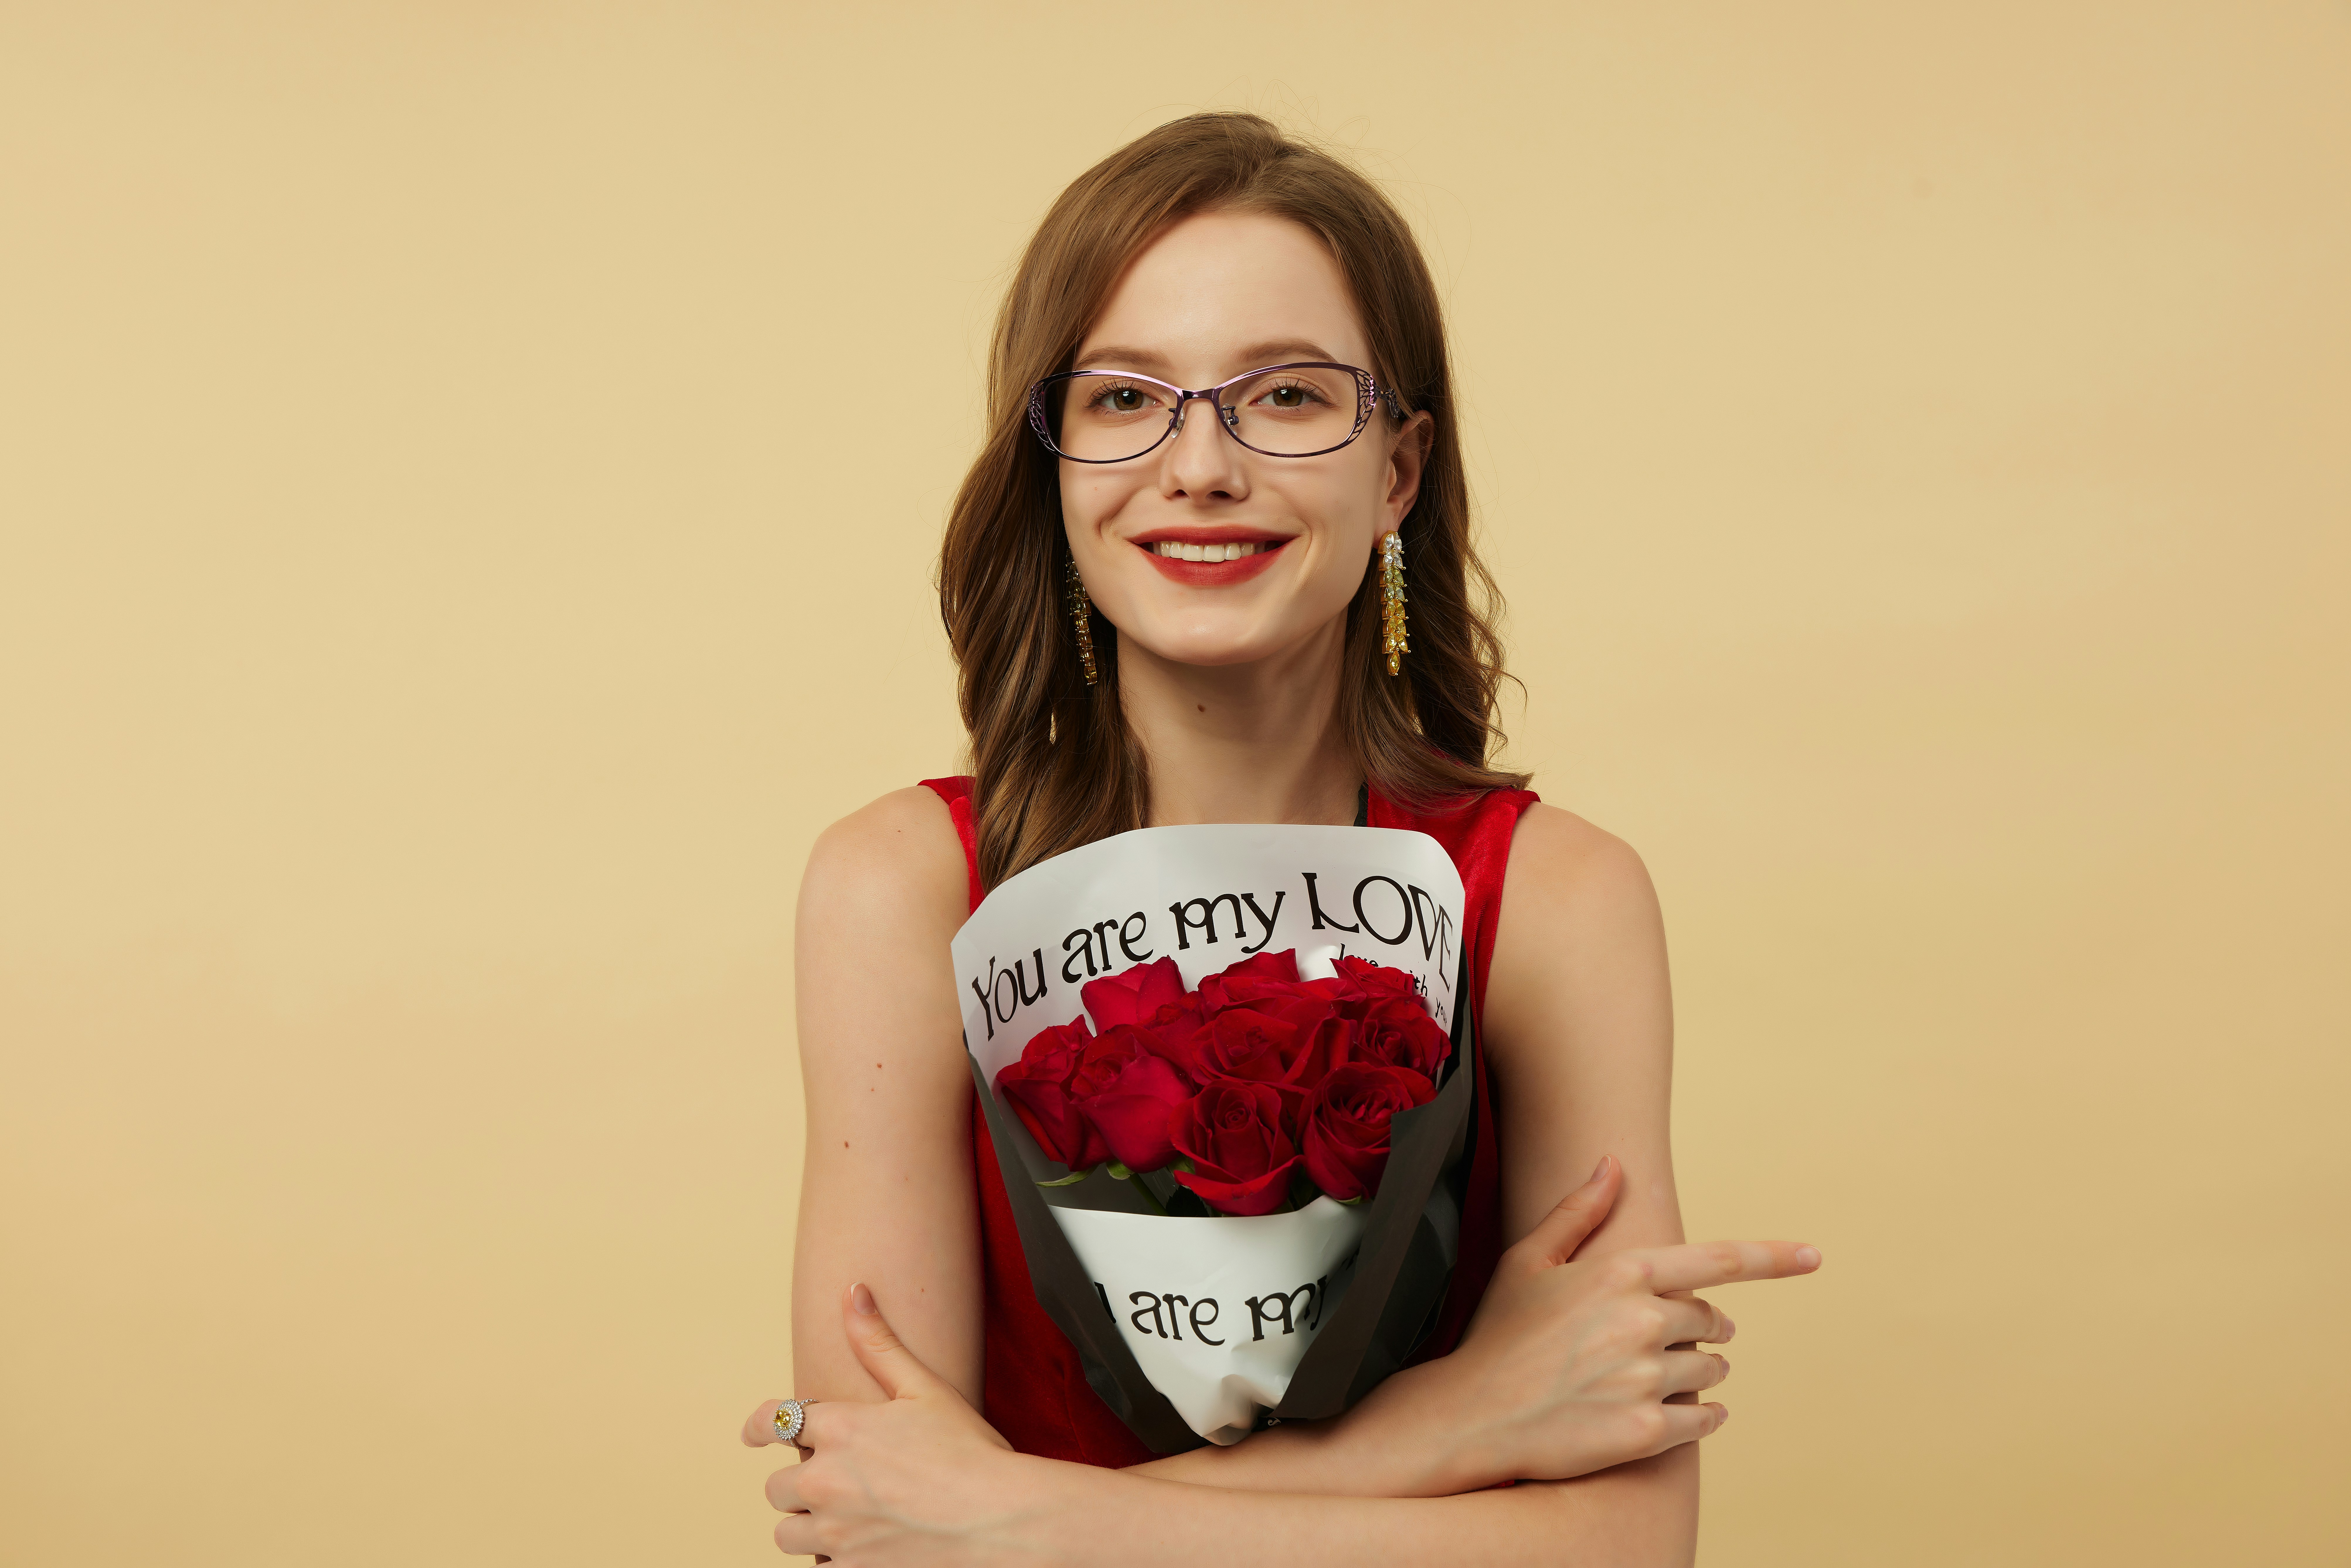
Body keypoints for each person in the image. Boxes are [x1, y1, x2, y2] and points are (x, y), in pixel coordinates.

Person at [744, 112, 1820, 1564]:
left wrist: (1014, 1520)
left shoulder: (1553, 901)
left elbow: (1625, 1551)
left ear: (1398, 471)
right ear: (1052, 462)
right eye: (1124, 399)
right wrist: (1453, 1424)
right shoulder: (904, 888)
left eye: (1290, 395)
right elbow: (872, 1533)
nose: (1199, 466)